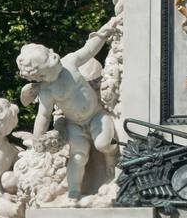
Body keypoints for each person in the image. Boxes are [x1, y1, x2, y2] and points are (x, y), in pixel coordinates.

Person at [17, 19, 118, 199]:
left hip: (96, 116)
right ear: (40, 77)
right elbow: (43, 116)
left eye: (53, 56)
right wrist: (37, 138)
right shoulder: (47, 91)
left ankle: (112, 166)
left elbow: (89, 49)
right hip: (75, 125)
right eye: (50, 65)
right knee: (78, 157)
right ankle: (74, 191)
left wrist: (103, 32)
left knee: (103, 144)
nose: (56, 61)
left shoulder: (69, 62)